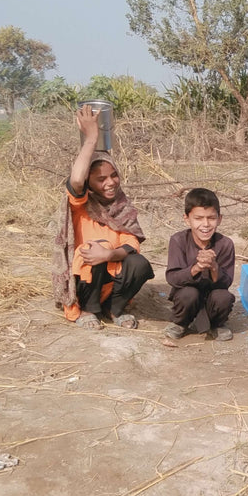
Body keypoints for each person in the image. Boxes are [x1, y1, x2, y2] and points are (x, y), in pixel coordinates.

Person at [52, 104, 153, 329]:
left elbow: (131, 242)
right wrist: (91, 138)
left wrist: (109, 254)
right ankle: (89, 310)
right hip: (85, 280)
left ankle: (114, 309)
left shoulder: (121, 205)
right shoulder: (80, 203)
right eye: (100, 179)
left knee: (139, 263)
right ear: (89, 182)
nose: (110, 183)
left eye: (114, 175)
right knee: (91, 250)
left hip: (111, 275)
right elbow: (76, 180)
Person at [164, 187, 236, 341]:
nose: (206, 224)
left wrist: (213, 266)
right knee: (188, 294)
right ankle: (180, 323)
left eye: (211, 218)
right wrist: (197, 268)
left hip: (213, 297)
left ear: (219, 219)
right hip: (187, 298)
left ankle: (216, 324)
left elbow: (226, 282)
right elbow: (172, 278)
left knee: (224, 297)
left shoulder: (225, 244)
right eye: (198, 218)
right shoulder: (178, 241)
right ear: (187, 219)